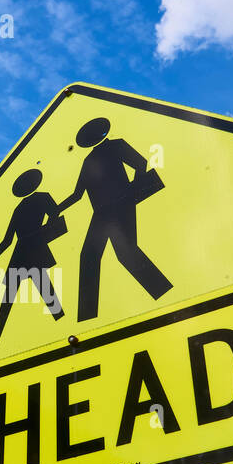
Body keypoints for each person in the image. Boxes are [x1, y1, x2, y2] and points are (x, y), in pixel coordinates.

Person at [56, 117, 172, 320]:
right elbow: (78, 194)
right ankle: (87, 317)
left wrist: (131, 193)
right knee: (89, 256)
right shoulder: (88, 160)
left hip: (121, 204)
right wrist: (57, 209)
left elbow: (141, 163)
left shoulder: (117, 145)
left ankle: (164, 293)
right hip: (100, 213)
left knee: (126, 253)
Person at [0, 168, 67, 343]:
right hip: (30, 248)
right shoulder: (39, 199)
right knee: (42, 288)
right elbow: (54, 213)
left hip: (23, 250)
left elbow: (7, 241)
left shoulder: (22, 207)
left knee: (31, 291)